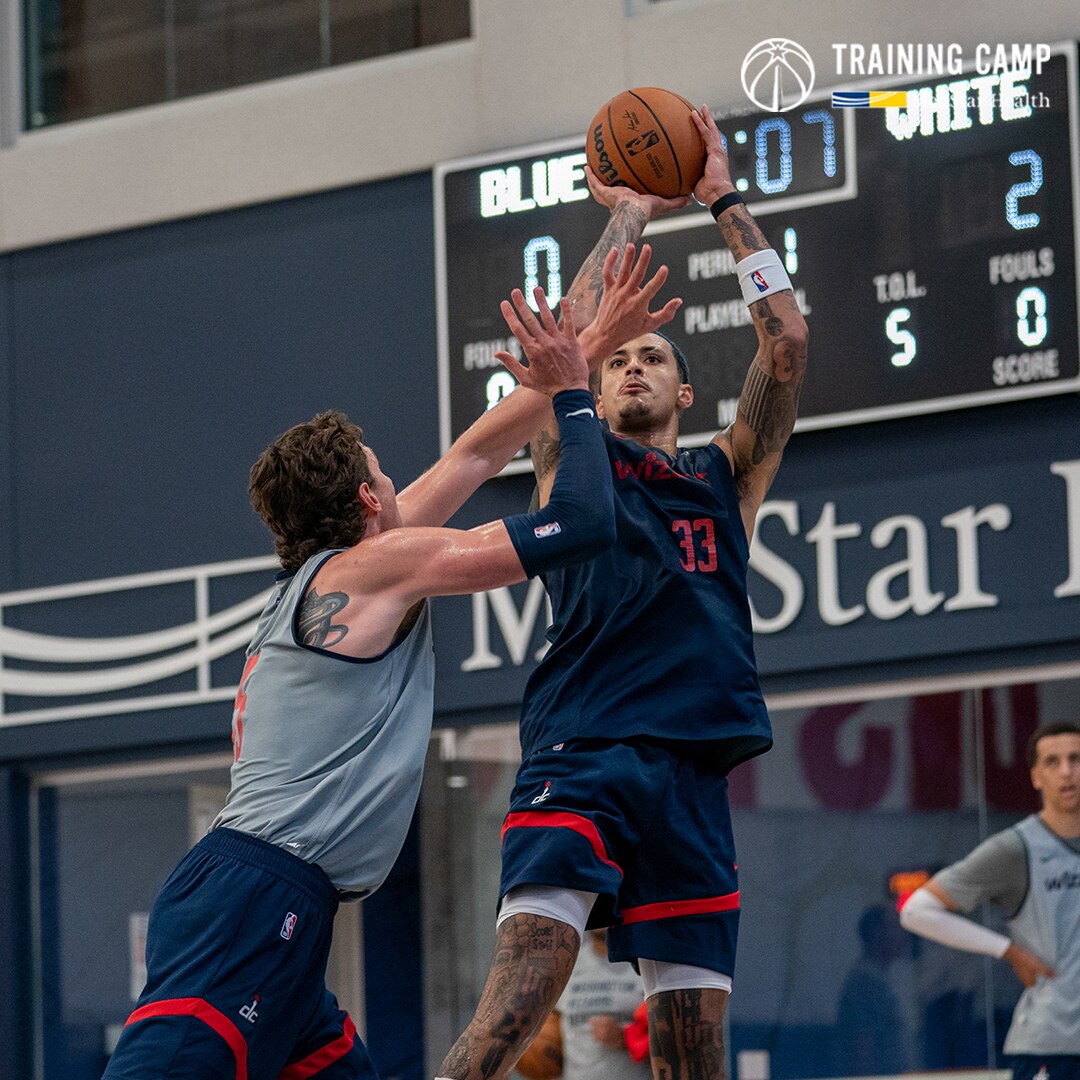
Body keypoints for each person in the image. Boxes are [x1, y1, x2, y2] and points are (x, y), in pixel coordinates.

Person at [101, 250, 681, 1080]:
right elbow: (584, 522)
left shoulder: (349, 574)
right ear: (371, 500)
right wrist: (577, 398)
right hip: (252, 900)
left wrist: (582, 347)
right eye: (380, 467)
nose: (393, 474)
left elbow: (478, 455)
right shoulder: (373, 570)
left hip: (274, 899)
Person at [437, 104, 809, 1080]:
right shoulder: (572, 455)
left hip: (693, 781)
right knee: (514, 1015)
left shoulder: (723, 477)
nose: (632, 366)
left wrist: (722, 194)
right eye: (617, 364)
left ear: (686, 395)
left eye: (652, 358)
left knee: (697, 1064)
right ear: (591, 395)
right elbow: (570, 342)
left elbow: (788, 345)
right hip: (587, 751)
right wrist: (633, 211)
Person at [901, 721, 1080, 1080]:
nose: (1066, 771)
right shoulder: (1016, 849)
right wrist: (1007, 950)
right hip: (1051, 1048)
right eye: (1052, 761)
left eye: (1075, 759)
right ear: (1035, 777)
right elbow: (917, 911)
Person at [517, 929, 651, 1080]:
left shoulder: (648, 962)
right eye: (593, 904)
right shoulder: (565, 965)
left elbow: (676, 1043)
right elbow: (551, 1031)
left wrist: (626, 1038)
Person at [833, 904, 912, 1076]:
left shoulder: (882, 981)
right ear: (878, 934)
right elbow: (860, 1050)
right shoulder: (863, 985)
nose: (904, 935)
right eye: (896, 927)